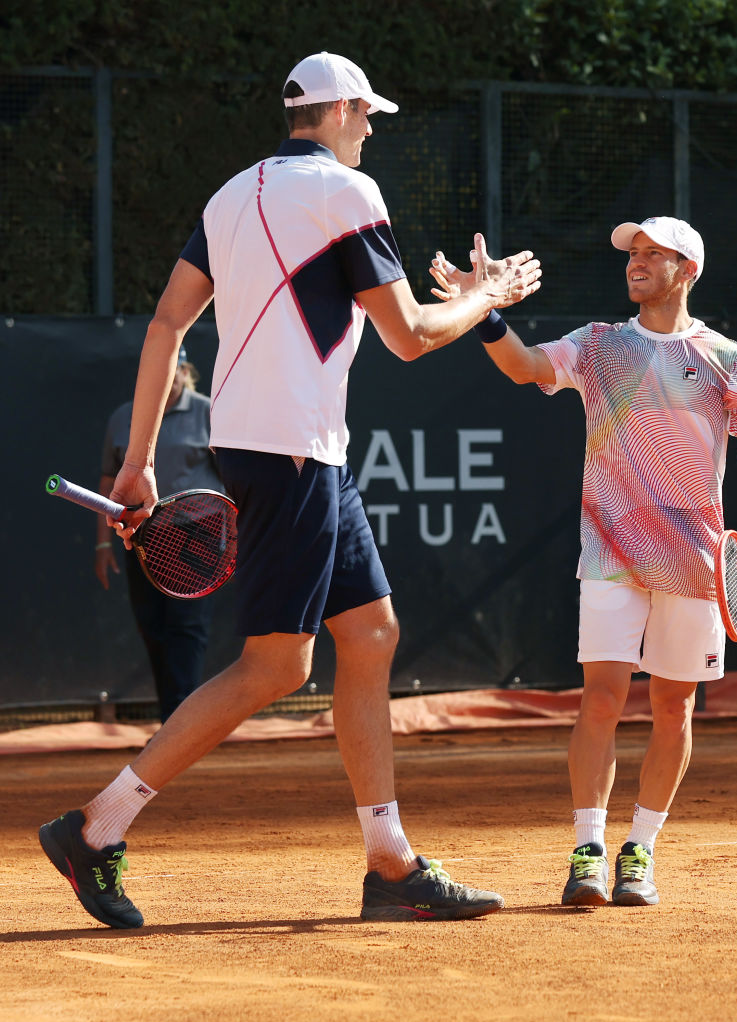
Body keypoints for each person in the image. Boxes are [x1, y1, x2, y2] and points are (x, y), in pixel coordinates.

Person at [39, 51, 541, 929]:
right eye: (369, 114)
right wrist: (489, 295)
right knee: (279, 663)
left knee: (372, 632)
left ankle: (390, 864)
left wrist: (140, 459)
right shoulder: (350, 194)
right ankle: (95, 828)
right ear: (342, 110)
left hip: (282, 448)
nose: (373, 128)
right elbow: (414, 336)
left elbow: (166, 323)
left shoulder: (230, 195)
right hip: (292, 452)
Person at [430, 216, 737, 907]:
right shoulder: (597, 346)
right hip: (612, 552)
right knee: (602, 700)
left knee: (674, 708)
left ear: (689, 271)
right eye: (633, 253)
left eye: (654, 255)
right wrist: (487, 313)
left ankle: (639, 852)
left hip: (696, 562)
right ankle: (588, 848)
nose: (637, 263)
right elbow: (527, 366)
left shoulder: (728, 358)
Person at [95, 345, 227, 722]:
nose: (169, 377)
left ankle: (177, 726)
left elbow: (233, 475)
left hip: (198, 535)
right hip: (142, 536)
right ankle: (175, 721)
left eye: (177, 368)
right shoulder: (123, 418)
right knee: (153, 628)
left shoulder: (208, 411)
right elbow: (108, 480)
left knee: (186, 629)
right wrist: (103, 542)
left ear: (186, 371)